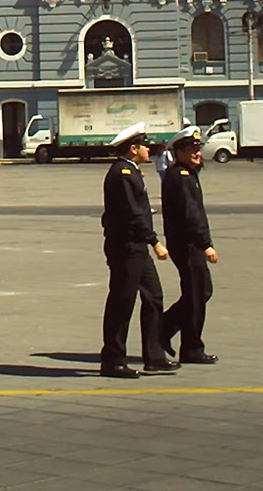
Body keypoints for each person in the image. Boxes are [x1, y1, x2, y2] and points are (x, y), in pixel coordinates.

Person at [100, 122, 175, 379]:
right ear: (134, 149)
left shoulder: (129, 172)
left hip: (136, 247)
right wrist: (155, 242)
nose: (148, 150)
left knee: (154, 297)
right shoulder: (122, 173)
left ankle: (154, 357)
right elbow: (133, 214)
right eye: (145, 145)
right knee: (122, 301)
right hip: (127, 247)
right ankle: (113, 359)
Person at [160, 127, 218, 365]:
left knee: (198, 292)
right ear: (179, 152)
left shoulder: (186, 174)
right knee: (198, 293)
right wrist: (206, 244)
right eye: (191, 149)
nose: (197, 153)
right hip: (188, 244)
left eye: (198, 148)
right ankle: (184, 342)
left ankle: (168, 331)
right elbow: (190, 215)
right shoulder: (181, 177)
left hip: (187, 243)